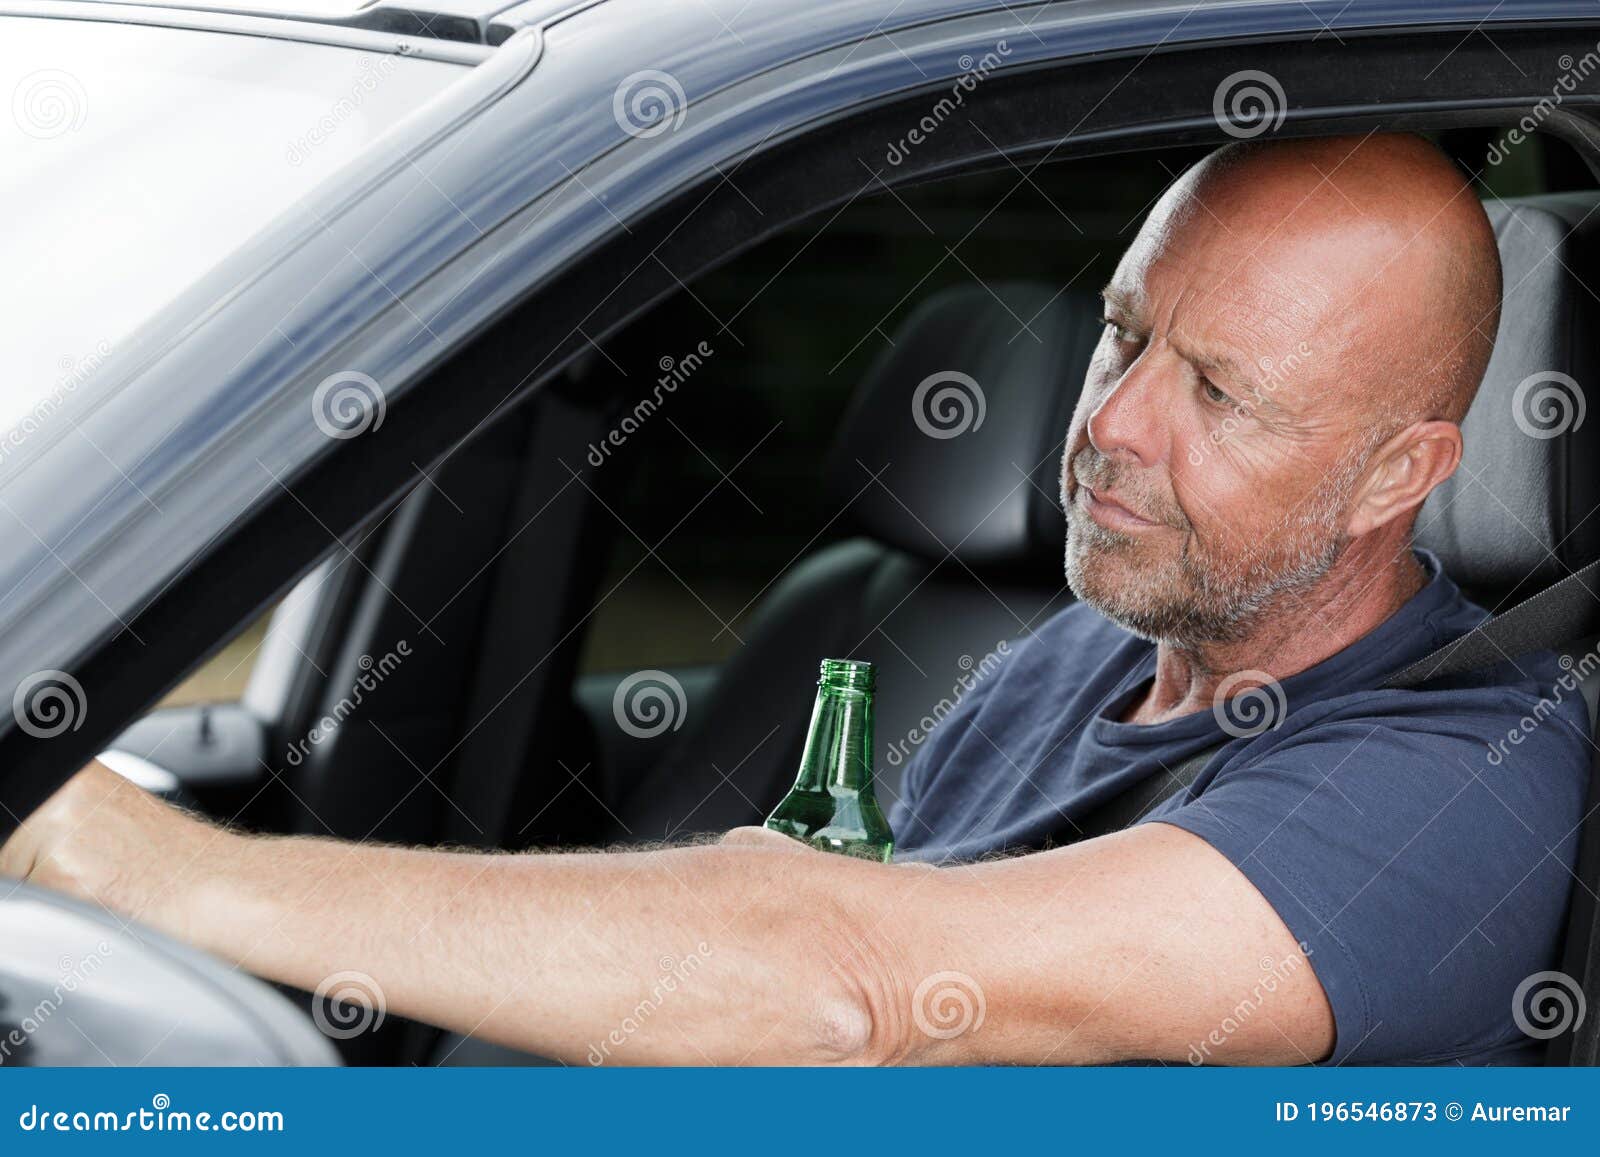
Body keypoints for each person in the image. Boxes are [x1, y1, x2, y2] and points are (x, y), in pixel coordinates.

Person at [1, 133, 1587, 1066]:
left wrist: (145, 865)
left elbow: (864, 984)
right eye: (1123, 333)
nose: (1104, 424)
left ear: (1399, 475)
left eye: (1221, 393)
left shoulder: (1452, 786)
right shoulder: (1083, 651)